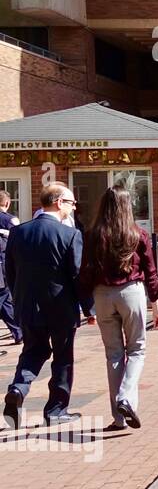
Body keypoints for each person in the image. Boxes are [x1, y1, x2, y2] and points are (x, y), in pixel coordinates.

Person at [78, 187, 158, 430]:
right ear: (128, 207)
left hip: (102, 295)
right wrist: (156, 307)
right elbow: (151, 272)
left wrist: (87, 306)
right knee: (136, 350)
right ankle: (126, 398)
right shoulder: (138, 234)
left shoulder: (93, 234)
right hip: (131, 292)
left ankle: (118, 418)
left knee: (113, 354)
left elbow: (85, 270)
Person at [2, 184, 83, 429]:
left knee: (32, 352)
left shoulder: (19, 232)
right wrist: (89, 308)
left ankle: (18, 388)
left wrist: (17, 299)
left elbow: (10, 271)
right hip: (61, 308)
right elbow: (77, 275)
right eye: (71, 202)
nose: (73, 206)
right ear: (58, 202)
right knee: (62, 357)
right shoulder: (69, 234)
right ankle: (56, 410)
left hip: (28, 306)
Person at [0, 192, 23, 347]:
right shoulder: (10, 220)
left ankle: (19, 332)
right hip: (3, 265)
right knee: (4, 298)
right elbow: (20, 239)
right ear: (7, 203)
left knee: (5, 300)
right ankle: (19, 332)